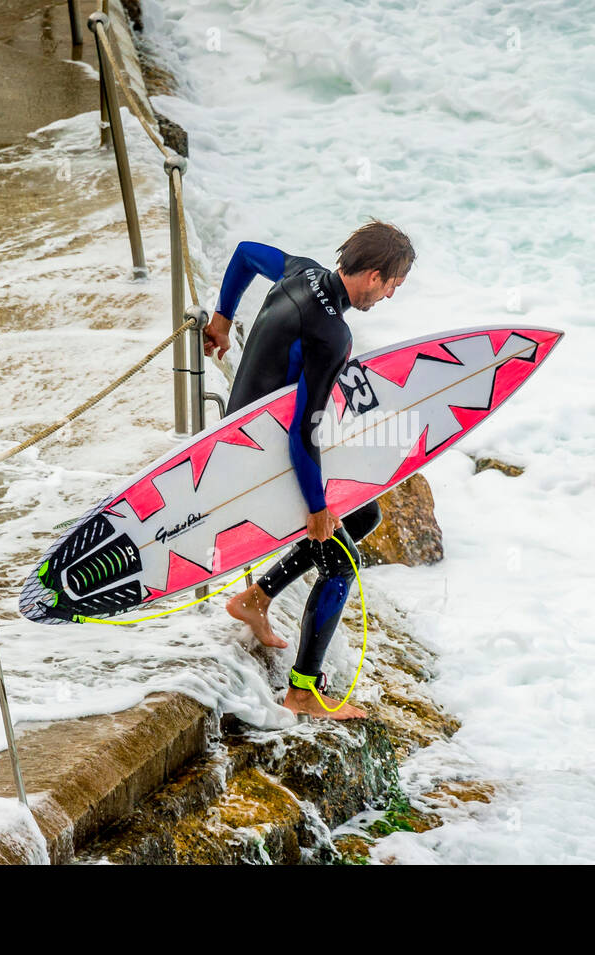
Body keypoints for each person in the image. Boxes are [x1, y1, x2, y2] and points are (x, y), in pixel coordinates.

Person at [203, 219, 415, 720]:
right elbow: (304, 432)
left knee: (363, 518)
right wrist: (317, 508)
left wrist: (222, 318)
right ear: (374, 275)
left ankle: (256, 597)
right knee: (341, 563)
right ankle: (303, 690)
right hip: (262, 462)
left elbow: (246, 250)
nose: (388, 298)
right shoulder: (331, 335)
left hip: (239, 436)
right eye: (392, 287)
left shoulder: (302, 273)